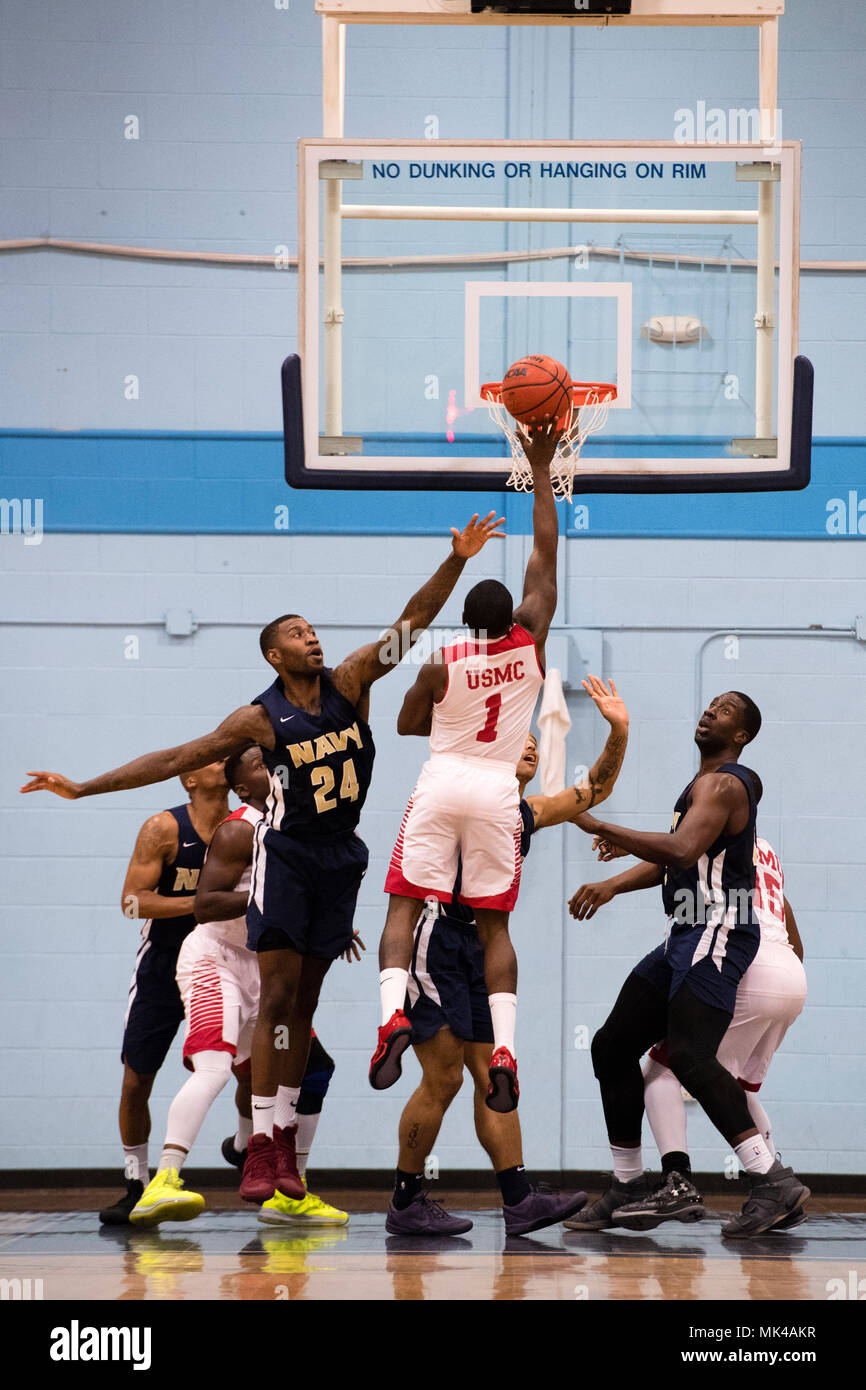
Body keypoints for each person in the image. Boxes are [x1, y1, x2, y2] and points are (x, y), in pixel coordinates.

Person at [21, 511, 505, 1207]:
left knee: (302, 1009)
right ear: (273, 656)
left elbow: (410, 625)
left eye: (312, 630)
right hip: (289, 856)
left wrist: (456, 560)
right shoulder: (260, 718)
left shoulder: (349, 682)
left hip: (344, 857)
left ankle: (279, 1143)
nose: (311, 638)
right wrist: (85, 786)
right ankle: (265, 1146)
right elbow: (177, 757)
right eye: (295, 634)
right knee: (277, 998)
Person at [386, 678, 630, 1237]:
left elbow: (594, 788)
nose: (529, 747)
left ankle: (518, 1201)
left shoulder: (525, 812)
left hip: (478, 950)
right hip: (434, 941)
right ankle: (404, 1200)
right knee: (443, 1078)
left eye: (533, 744)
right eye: (515, 740)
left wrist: (618, 729)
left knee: (492, 1074)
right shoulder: (455, 797)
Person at [564, 692, 810, 1238]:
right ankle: (628, 1182)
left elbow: (678, 849)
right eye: (709, 705)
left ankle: (769, 1178)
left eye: (724, 711)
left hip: (720, 928)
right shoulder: (701, 787)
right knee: (612, 1044)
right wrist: (611, 884)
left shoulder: (728, 782)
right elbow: (677, 859)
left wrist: (600, 826)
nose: (709, 712)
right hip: (687, 931)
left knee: (691, 1056)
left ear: (741, 735)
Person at [372, 426, 563, 1114]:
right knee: (495, 929)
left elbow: (403, 723)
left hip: (441, 781)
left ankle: (392, 1016)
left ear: (463, 621)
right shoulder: (531, 642)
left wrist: (443, 718)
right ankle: (505, 1048)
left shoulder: (440, 662)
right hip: (495, 791)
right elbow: (544, 550)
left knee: (402, 906)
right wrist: (541, 467)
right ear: (512, 618)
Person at [128, 745, 348, 1228]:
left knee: (308, 1070)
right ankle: (161, 1181)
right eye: (261, 764)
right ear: (243, 787)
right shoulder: (238, 829)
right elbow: (205, 905)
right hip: (216, 960)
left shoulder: (303, 825)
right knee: (214, 1069)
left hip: (269, 970)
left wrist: (330, 923)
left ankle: (288, 1189)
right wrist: (278, 897)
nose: (275, 767)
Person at [608, 836, 808, 1234]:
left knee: (664, 1066)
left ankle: (681, 1183)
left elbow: (671, 856)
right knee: (735, 1087)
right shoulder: (765, 846)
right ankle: (775, 1192)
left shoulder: (713, 837)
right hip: (790, 973)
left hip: (748, 963)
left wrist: (613, 859)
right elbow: (782, 910)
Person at [97, 761, 229, 1225]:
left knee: (246, 1068)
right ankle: (136, 1182)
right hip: (163, 966)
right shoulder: (163, 828)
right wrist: (201, 903)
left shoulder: (248, 824)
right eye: (209, 758)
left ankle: (248, 1150)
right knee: (136, 1079)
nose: (221, 759)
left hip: (221, 966)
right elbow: (132, 901)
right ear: (188, 780)